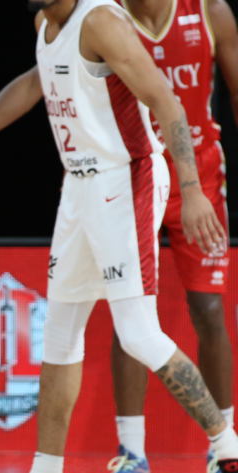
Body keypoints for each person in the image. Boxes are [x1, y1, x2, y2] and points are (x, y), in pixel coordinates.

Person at [0, 1, 238, 472]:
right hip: (80, 186)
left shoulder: (100, 20)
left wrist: (192, 189)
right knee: (60, 337)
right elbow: (34, 83)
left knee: (139, 333)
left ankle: (227, 445)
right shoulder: (45, 21)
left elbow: (167, 101)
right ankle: (46, 467)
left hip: (127, 177)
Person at [109, 0, 238, 470]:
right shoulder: (106, 15)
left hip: (198, 176)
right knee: (130, 314)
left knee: (208, 309)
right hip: (132, 172)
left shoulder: (210, 12)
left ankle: (224, 449)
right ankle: (132, 453)